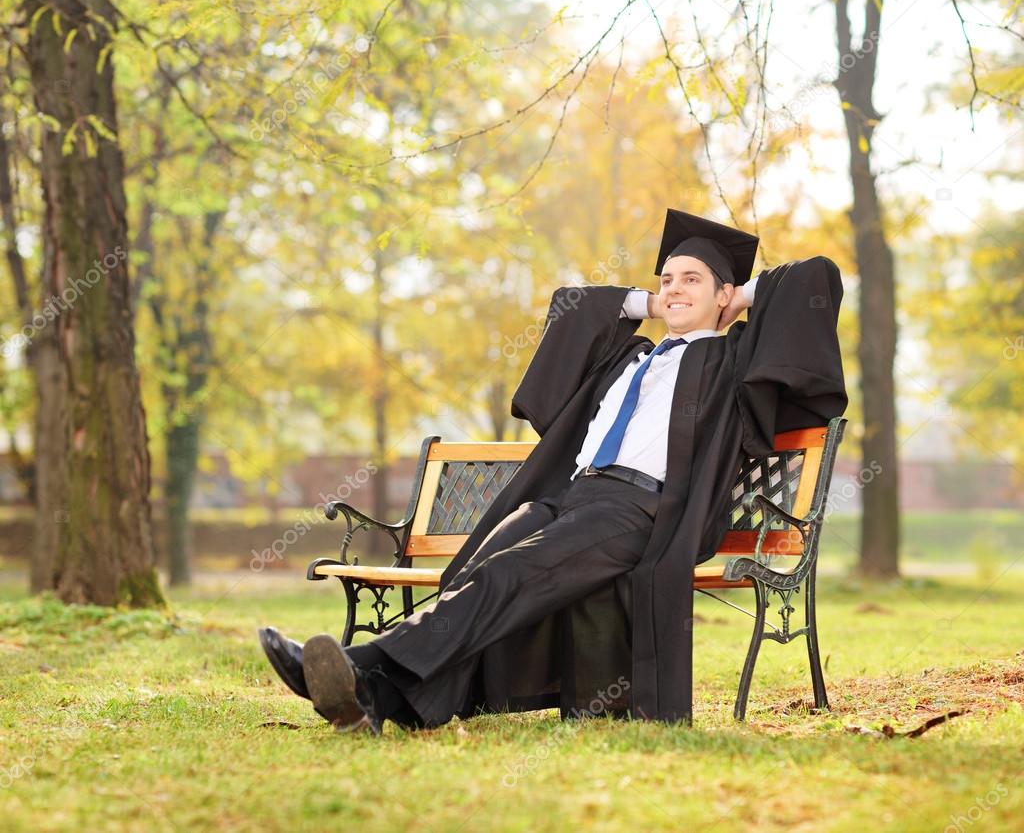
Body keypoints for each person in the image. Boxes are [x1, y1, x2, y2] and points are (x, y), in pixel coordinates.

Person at [258, 208, 848, 734]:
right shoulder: (629, 355)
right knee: (473, 572)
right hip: (568, 498)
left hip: (639, 511)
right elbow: (571, 304)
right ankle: (376, 703)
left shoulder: (728, 361)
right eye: (665, 279)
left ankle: (355, 666)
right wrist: (649, 303)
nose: (673, 289)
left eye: (691, 279)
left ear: (727, 294)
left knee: (506, 575)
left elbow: (815, 277)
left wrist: (734, 301)